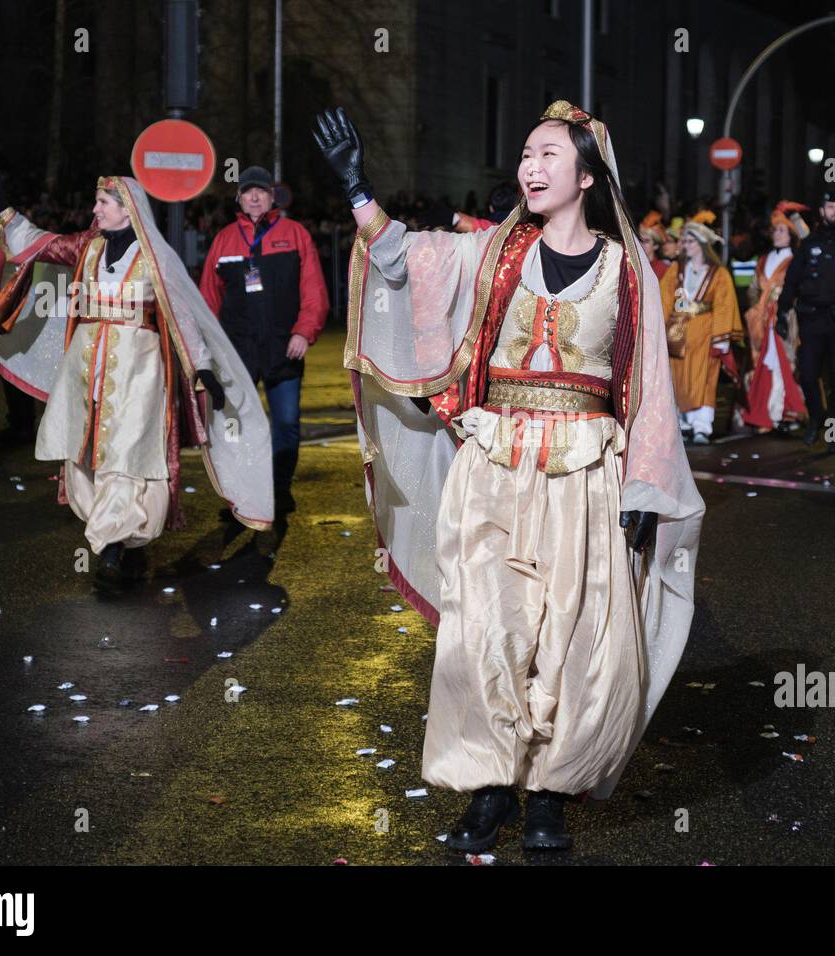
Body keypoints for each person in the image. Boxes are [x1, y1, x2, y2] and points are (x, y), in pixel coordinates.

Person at [315, 102, 703, 852]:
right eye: (527, 152)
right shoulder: (492, 253)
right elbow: (401, 256)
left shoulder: (629, 271)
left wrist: (646, 490)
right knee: (485, 629)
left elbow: (651, 387)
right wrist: (358, 187)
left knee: (574, 635)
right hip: (493, 468)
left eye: (550, 154)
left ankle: (552, 794)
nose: (531, 165)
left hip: (586, 474)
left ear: (587, 175)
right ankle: (490, 789)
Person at [0, 176, 273, 591]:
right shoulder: (88, 245)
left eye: (103, 203)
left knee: (127, 454)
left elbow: (181, 314)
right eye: (96, 203)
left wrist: (202, 367)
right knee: (90, 456)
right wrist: (6, 212)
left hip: (141, 372)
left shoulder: (156, 256)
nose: (96, 210)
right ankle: (129, 544)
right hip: (86, 371)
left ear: (126, 208)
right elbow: (41, 244)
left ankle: (112, 551)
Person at [199, 165, 330, 516]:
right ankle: (241, 490)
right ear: (239, 198)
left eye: (261, 191)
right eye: (247, 191)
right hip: (236, 351)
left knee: (286, 423)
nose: (254, 196)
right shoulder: (224, 239)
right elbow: (208, 298)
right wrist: (207, 349)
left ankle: (278, 488)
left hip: (284, 346)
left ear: (272, 198)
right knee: (235, 423)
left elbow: (314, 290)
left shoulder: (295, 233)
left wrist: (304, 331)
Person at [777, 190, 835, 455]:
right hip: (812, 319)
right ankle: (816, 417)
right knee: (808, 376)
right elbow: (792, 280)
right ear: (822, 211)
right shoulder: (809, 244)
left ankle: (833, 436)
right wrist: (782, 312)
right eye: (830, 206)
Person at [661, 214, 741, 444]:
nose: (685, 245)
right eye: (684, 241)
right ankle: (683, 423)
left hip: (705, 333)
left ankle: (702, 426)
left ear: (702, 244)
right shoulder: (675, 270)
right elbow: (663, 299)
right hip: (678, 334)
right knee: (678, 378)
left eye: (690, 241)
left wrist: (721, 339)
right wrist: (661, 328)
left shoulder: (719, 273)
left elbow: (725, 305)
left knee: (704, 378)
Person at [740, 201, 808, 433]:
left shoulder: (797, 260)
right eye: (774, 230)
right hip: (761, 320)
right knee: (762, 363)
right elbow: (752, 289)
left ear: (790, 234)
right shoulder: (763, 259)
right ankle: (767, 412)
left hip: (785, 318)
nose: (776, 234)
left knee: (783, 364)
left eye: (781, 230)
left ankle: (784, 411)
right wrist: (755, 308)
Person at [638, 211, 671, 280]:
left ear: (656, 246)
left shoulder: (664, 268)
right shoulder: (634, 267)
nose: (641, 244)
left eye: (646, 241)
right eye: (640, 241)